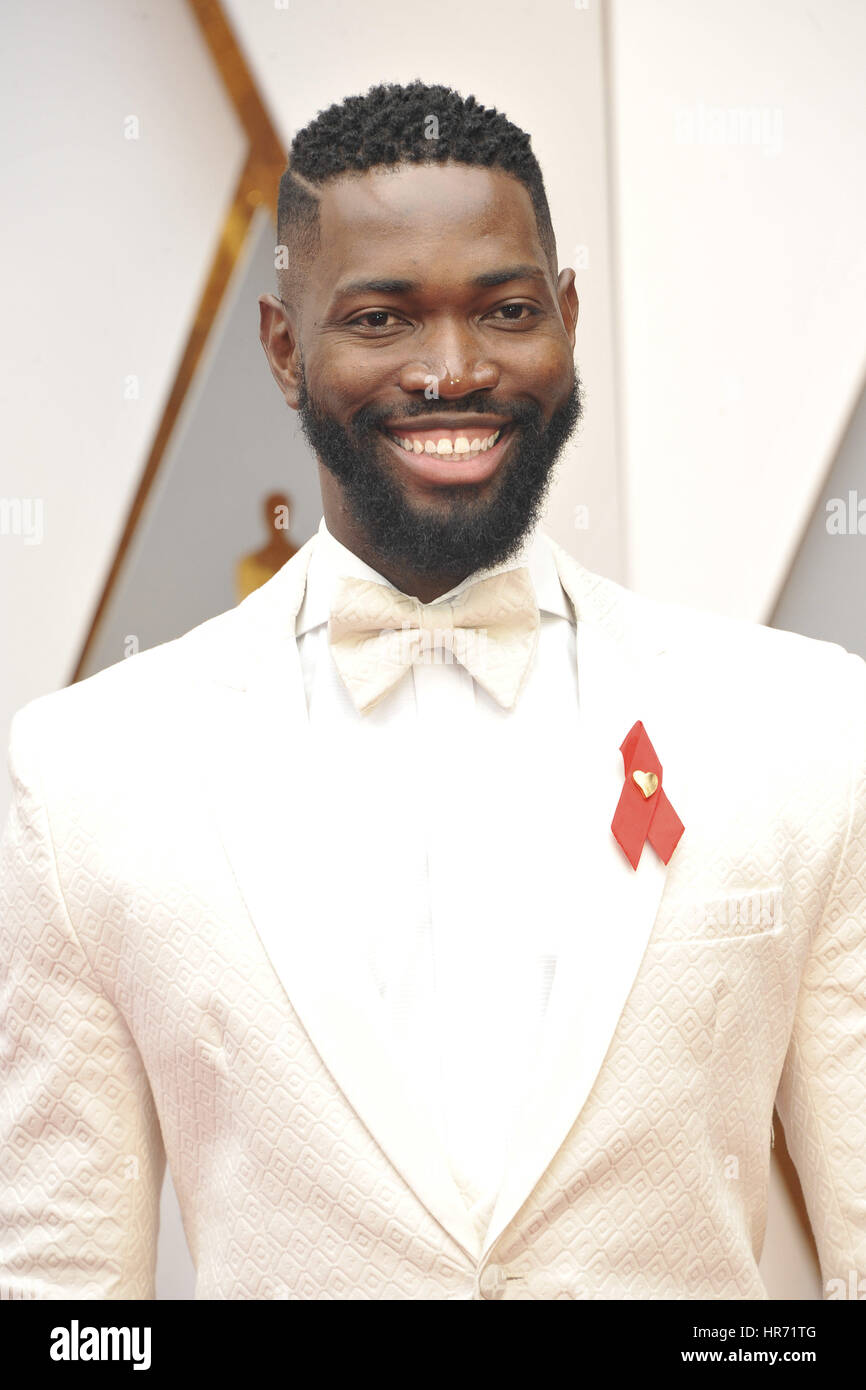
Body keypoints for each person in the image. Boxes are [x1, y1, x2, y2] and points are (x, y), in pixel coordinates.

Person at [1, 80, 863, 1302]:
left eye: (505, 310)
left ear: (566, 319)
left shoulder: (802, 730)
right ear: (284, 345)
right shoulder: (90, 774)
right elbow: (62, 1299)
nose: (451, 370)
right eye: (381, 318)